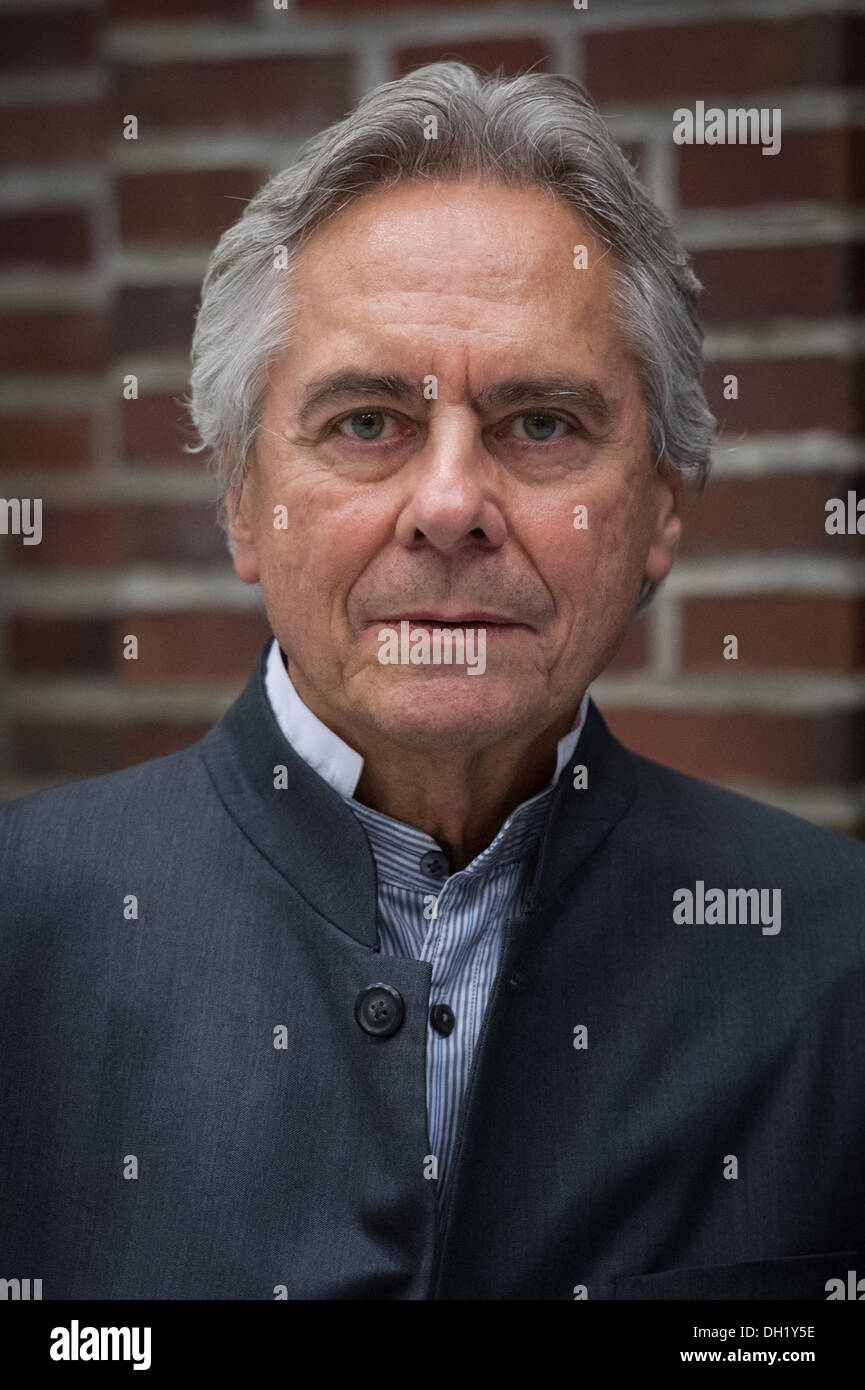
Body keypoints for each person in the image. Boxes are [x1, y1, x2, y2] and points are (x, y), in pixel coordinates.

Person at [1, 63, 863, 1301]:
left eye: (541, 424)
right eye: (365, 423)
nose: (452, 505)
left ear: (660, 508)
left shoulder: (839, 956)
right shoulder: (21, 930)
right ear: (244, 502)